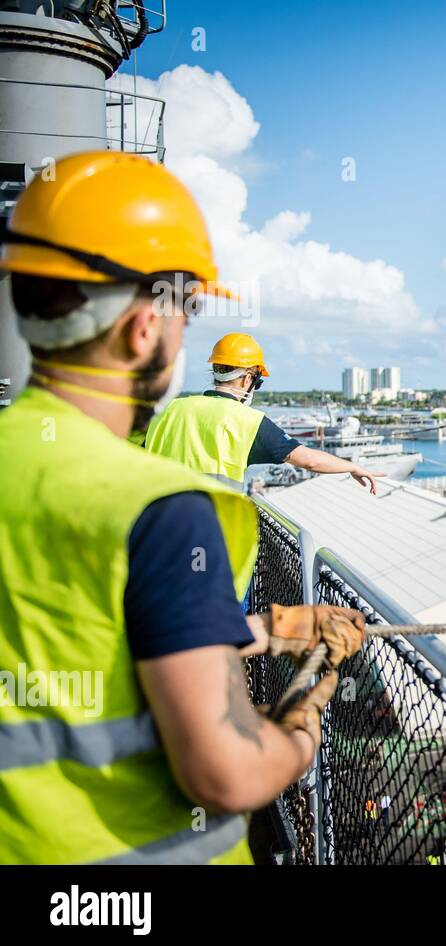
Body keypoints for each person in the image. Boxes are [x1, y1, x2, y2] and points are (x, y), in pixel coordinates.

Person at [0, 150, 366, 864]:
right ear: (143, 328)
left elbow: (93, 638)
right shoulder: (164, 512)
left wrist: (269, 628)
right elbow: (224, 771)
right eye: (185, 310)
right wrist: (304, 711)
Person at [145, 331, 383, 493]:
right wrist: (353, 466)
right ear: (249, 377)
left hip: (149, 529)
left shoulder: (169, 409)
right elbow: (309, 460)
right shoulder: (249, 421)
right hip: (208, 533)